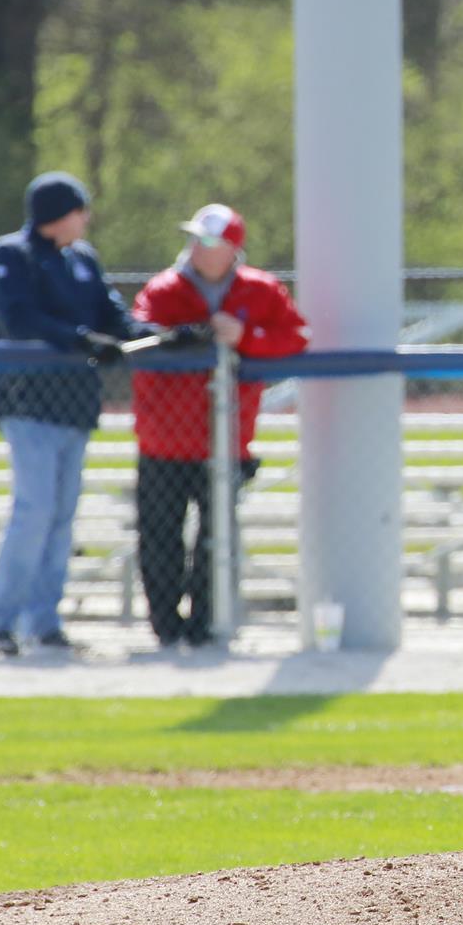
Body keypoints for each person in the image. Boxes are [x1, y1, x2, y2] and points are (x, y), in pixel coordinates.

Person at [0, 171, 153, 657]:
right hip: (27, 401)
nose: (87, 218)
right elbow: (18, 319)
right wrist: (80, 338)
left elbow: (112, 316)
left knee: (60, 518)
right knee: (34, 512)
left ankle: (43, 621)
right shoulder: (12, 255)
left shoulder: (82, 258)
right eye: (80, 209)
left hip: (75, 404)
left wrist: (155, 332)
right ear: (59, 214)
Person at [131, 204, 310, 647]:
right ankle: (167, 629)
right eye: (195, 238)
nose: (197, 247)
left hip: (225, 440)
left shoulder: (260, 290)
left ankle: (207, 625)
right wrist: (187, 336)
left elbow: (295, 338)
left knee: (216, 540)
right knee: (159, 538)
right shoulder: (164, 289)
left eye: (209, 241)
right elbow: (139, 333)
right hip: (164, 440)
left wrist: (244, 337)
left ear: (233, 249)